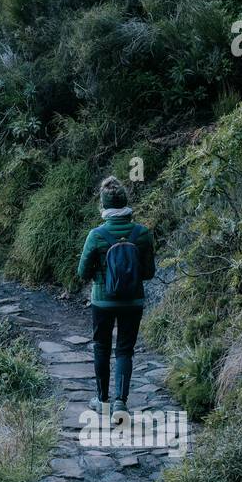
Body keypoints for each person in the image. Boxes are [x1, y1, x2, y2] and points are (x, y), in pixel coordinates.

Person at [76, 175, 155, 422]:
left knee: (101, 347)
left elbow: (82, 272)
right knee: (125, 349)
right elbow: (149, 272)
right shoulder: (142, 234)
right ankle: (121, 403)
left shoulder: (96, 235)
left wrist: (101, 275)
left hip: (103, 301)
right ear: (125, 203)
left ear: (104, 205)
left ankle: (102, 401)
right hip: (133, 301)